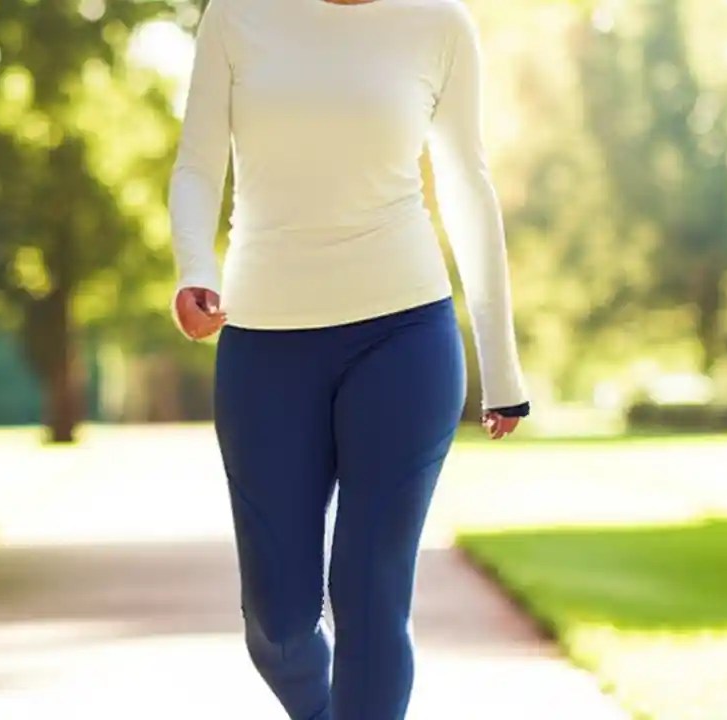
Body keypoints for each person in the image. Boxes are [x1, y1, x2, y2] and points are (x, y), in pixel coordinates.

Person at [167, 0, 530, 716]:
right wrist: (192, 269)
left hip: (404, 335)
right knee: (278, 621)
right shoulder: (238, 16)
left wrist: (502, 367)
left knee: (370, 595)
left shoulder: (440, 24)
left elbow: (466, 185)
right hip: (265, 340)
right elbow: (197, 165)